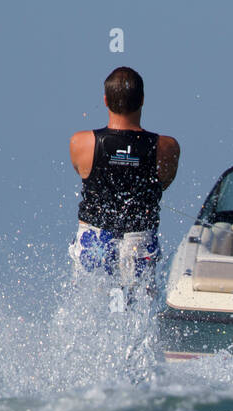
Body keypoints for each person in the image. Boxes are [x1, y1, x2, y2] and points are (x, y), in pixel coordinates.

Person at [69, 67, 181, 293]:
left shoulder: (81, 143)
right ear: (142, 100)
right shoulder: (166, 147)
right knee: (136, 316)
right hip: (138, 243)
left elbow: (83, 172)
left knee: (91, 311)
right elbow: (164, 182)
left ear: (105, 101)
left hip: (95, 239)